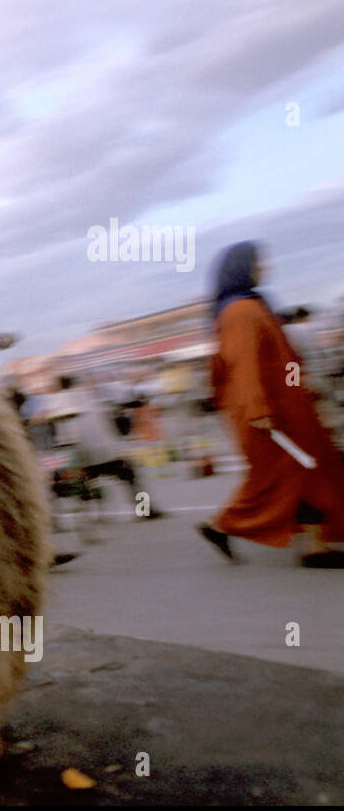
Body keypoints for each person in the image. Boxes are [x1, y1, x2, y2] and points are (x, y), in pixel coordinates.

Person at [197, 242, 344, 567]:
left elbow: (287, 360)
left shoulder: (252, 306)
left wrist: (301, 390)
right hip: (271, 411)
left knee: (305, 472)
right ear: (242, 268)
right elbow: (242, 364)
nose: (264, 268)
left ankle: (312, 544)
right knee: (290, 475)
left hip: (288, 406)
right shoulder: (242, 312)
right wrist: (258, 409)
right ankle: (226, 525)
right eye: (258, 263)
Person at [42, 375, 166, 519]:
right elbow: (112, 424)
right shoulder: (91, 397)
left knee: (57, 480)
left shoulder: (54, 402)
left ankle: (53, 518)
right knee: (131, 475)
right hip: (105, 456)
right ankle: (145, 511)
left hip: (77, 462)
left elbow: (57, 436)